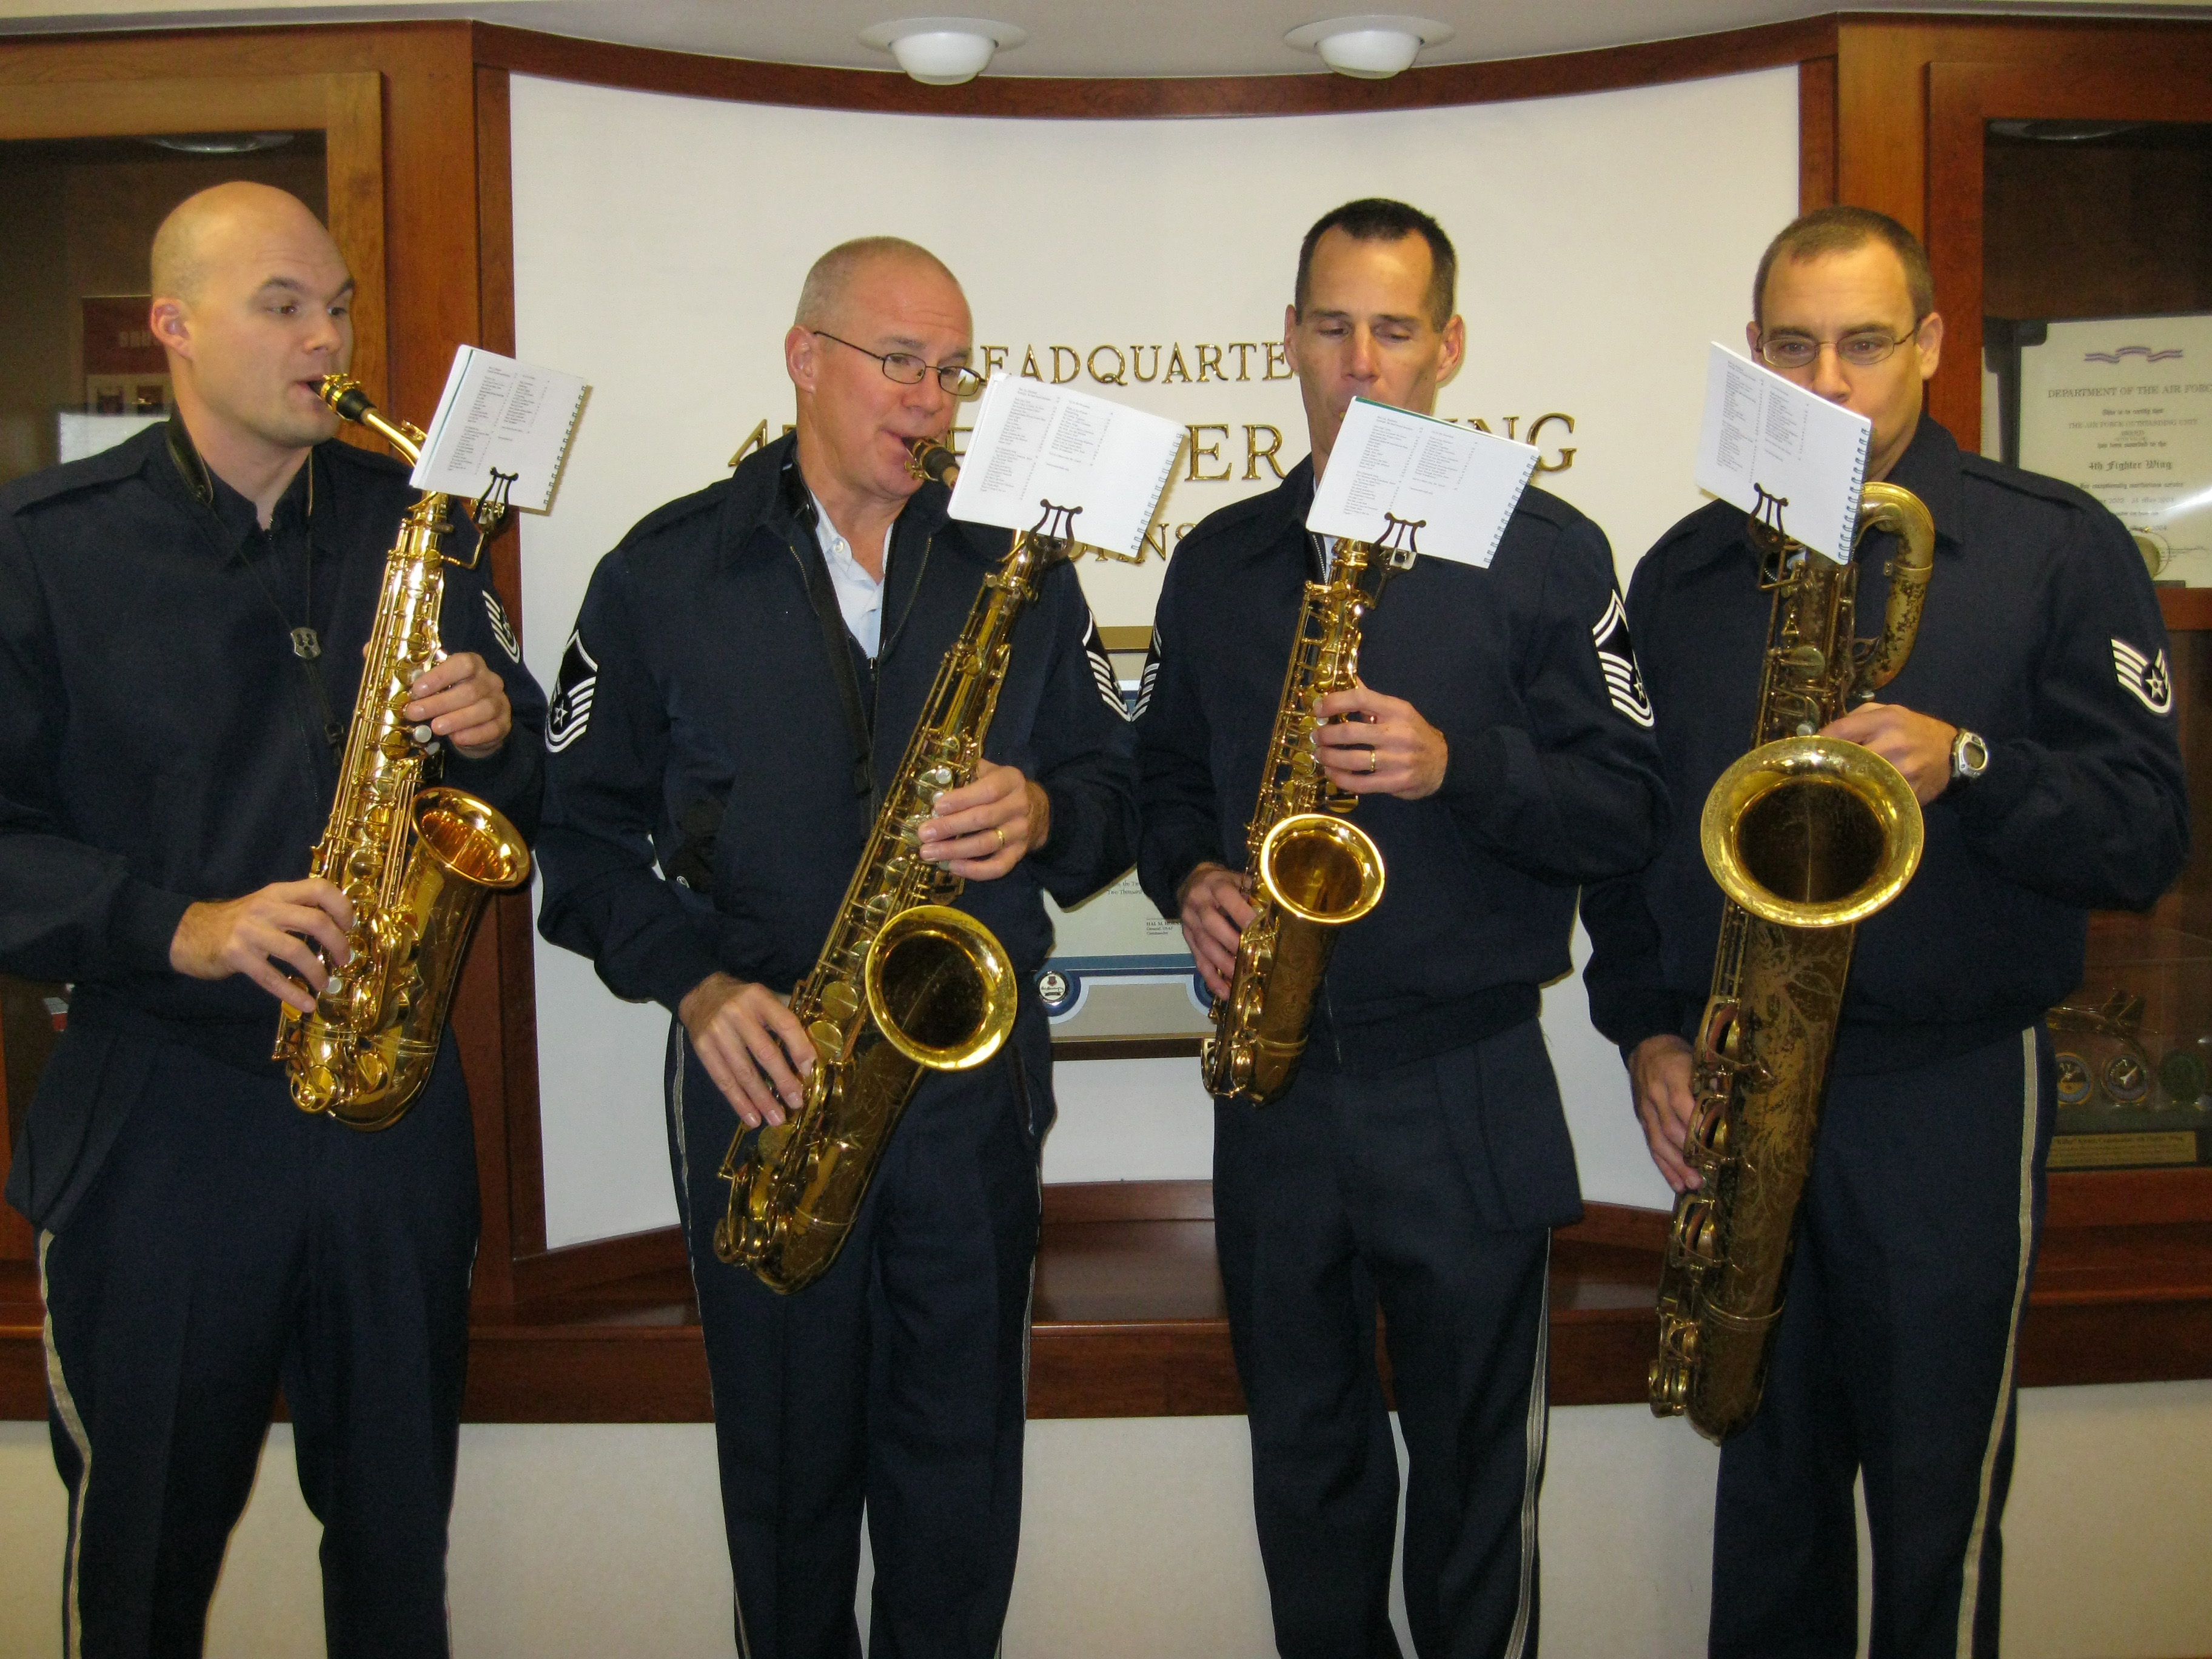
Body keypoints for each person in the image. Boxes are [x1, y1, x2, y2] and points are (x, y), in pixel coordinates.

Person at [1581, 206, 2189, 1658]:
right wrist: (1651, 1029)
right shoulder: (1684, 573)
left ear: (1929, 343)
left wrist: (1971, 761)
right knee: (1768, 1493)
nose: (1832, 382)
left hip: (1952, 1090)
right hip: (1744, 1081)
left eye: (1865, 342)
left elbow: (2145, 836)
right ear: (1756, 357)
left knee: (1934, 1513)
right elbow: (1637, 836)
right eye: (1795, 348)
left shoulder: (2055, 547)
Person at [534, 235, 1136, 1658]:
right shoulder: (663, 571)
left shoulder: (1019, 570)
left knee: (959, 1496)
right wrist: (694, 982)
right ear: (805, 358)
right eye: (900, 363)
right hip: (767, 1089)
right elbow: (573, 826)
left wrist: (1045, 807)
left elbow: (1118, 793)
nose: (931, 402)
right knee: (788, 1503)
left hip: (968, 1099)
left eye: (951, 372)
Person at [0, 181, 545, 1658]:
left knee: (393, 1560)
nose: (328, 337)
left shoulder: (412, 523)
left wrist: (498, 728)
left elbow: (534, 786)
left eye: (342, 304)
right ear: (171, 327)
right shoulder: (45, 543)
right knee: (142, 1566)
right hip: (161, 1132)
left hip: (386, 1127)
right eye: (283, 306)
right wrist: (175, 925)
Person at [1136, 198, 1669, 1658]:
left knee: (1477, 1489)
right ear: (1289, 341)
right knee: (1304, 1478)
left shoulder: (1550, 548)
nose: (1359, 363)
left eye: (1392, 329)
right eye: (1330, 325)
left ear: (1448, 348)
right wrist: (1190, 878)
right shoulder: (1225, 561)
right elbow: (1163, 779)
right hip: (1279, 1086)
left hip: (1469, 1079)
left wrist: (1461, 765)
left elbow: (1627, 809)